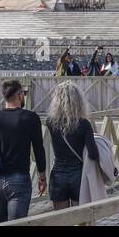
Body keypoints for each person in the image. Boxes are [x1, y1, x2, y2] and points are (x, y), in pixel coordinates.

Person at [0, 79, 47, 222]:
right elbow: (39, 150)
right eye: (23, 93)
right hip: (19, 179)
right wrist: (42, 177)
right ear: (19, 95)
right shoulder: (31, 118)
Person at [45, 82, 100, 210]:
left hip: (58, 174)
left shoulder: (51, 123)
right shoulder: (84, 124)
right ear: (79, 101)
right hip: (79, 175)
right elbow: (93, 154)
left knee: (61, 220)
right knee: (80, 218)